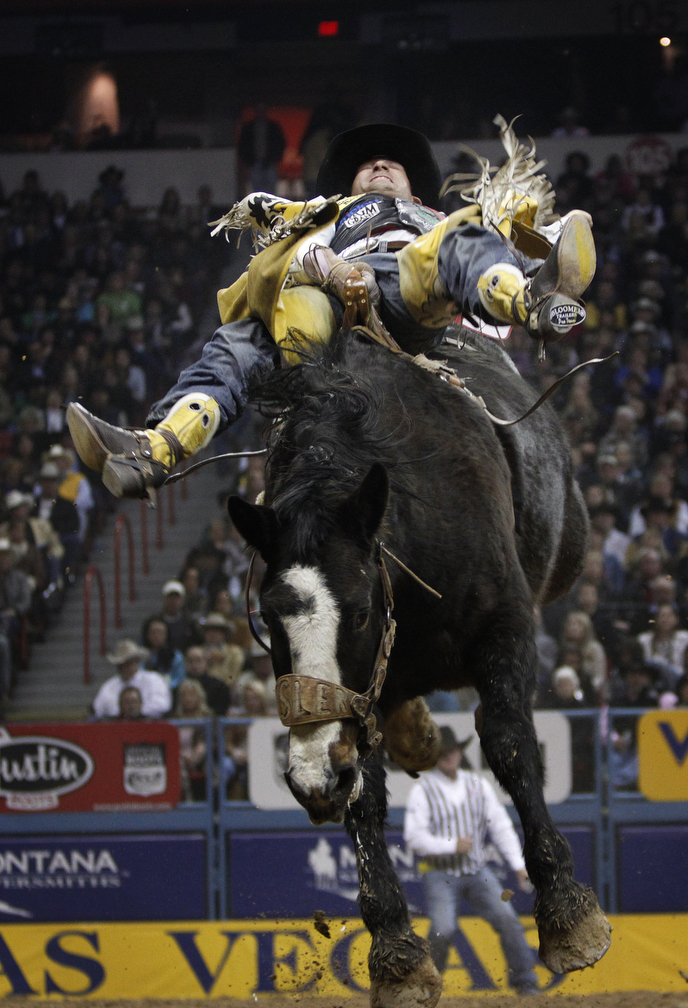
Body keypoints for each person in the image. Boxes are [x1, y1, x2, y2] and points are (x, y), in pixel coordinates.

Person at [67, 121, 596, 500]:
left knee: (464, 236)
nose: (379, 165)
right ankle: (156, 449)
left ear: (414, 190)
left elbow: (494, 250)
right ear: (351, 184)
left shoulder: (438, 220)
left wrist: (550, 242)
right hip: (327, 302)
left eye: (391, 163)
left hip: (412, 289)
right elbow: (285, 257)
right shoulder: (324, 215)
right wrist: (335, 270)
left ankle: (533, 302)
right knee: (239, 339)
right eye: (368, 164)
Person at [403, 726, 539, 996]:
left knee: (508, 920)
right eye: (442, 751)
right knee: (442, 930)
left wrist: (518, 864)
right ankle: (427, 987)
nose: (448, 756)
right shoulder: (423, 790)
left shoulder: (478, 785)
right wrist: (451, 845)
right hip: (439, 872)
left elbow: (500, 826)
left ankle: (526, 983)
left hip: (477, 870)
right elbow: (414, 837)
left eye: (452, 750)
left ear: (459, 752)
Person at [91, 638, 172, 719]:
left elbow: (162, 705)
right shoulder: (109, 686)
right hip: (117, 724)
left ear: (138, 661)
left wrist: (135, 712)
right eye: (123, 663)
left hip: (148, 724)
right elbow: (98, 709)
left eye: (131, 661)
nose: (127, 666)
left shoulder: (153, 680)